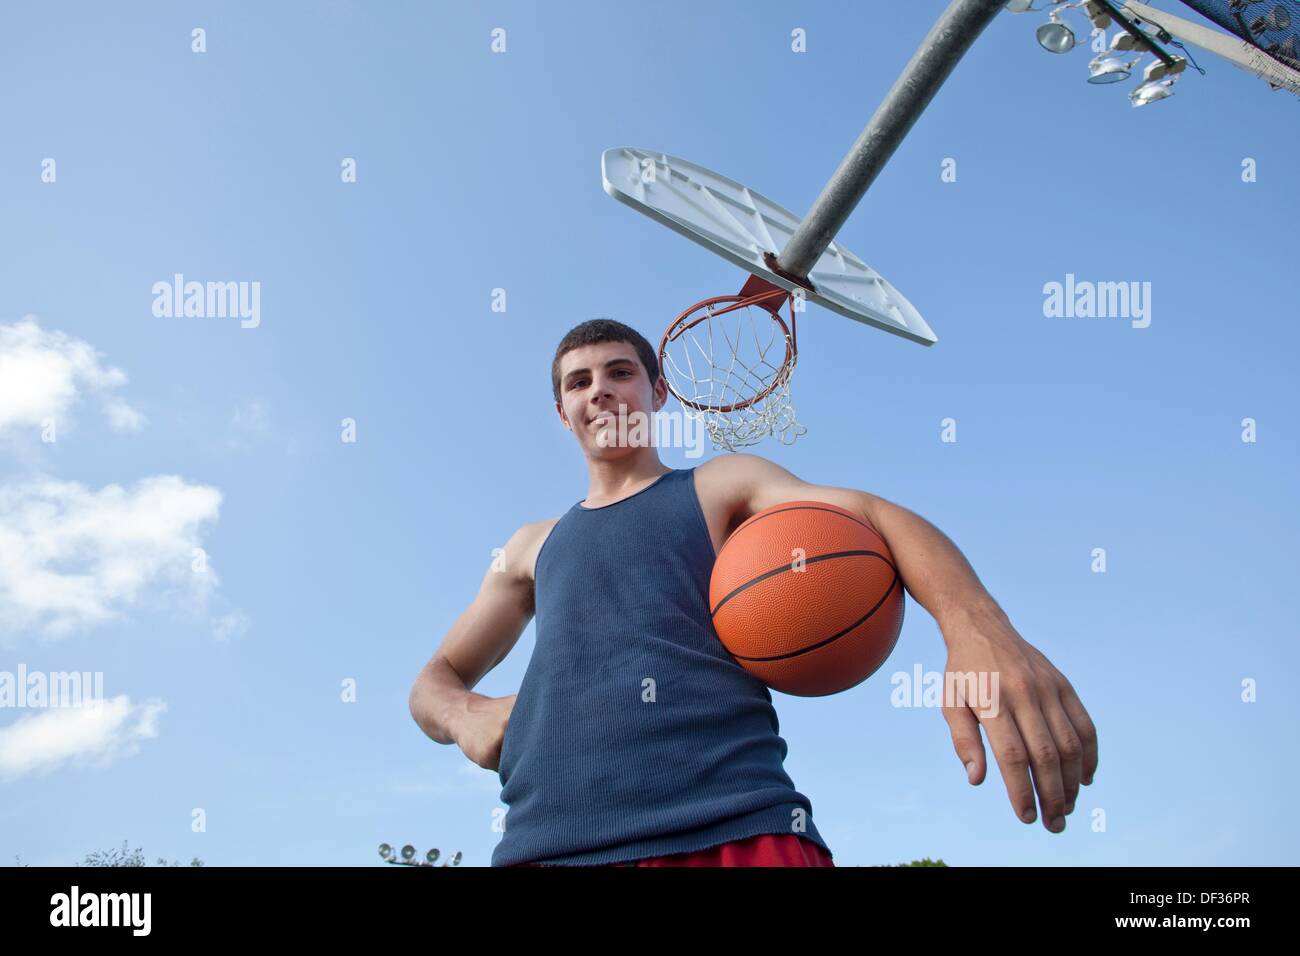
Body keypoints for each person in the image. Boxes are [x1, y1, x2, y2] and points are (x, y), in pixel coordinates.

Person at [408, 319, 1098, 867]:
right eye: (579, 381)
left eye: (621, 372)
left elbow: (874, 515)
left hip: (734, 830)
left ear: (659, 390)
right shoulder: (531, 545)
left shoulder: (719, 486)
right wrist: (465, 713)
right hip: (545, 844)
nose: (601, 391)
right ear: (562, 411)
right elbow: (433, 681)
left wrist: (976, 628)